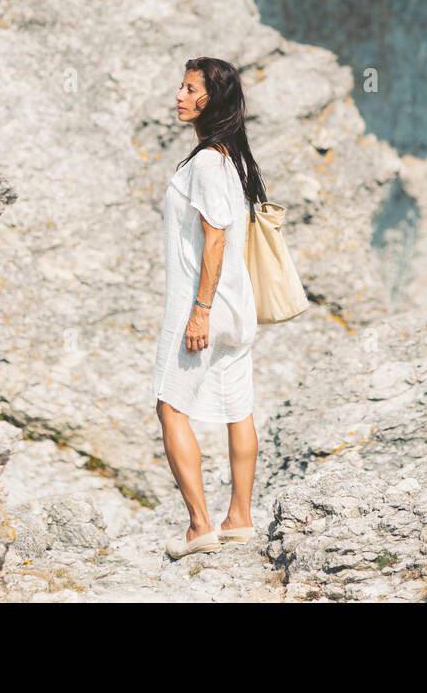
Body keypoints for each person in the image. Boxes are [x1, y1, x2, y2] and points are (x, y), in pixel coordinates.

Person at [153, 57, 264, 559]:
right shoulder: (232, 160)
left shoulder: (204, 163)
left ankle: (200, 525)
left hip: (202, 304)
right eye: (180, 85)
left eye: (190, 88)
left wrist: (199, 309)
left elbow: (214, 240)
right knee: (237, 408)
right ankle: (239, 516)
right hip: (236, 306)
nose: (179, 95)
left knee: (170, 406)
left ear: (210, 100)